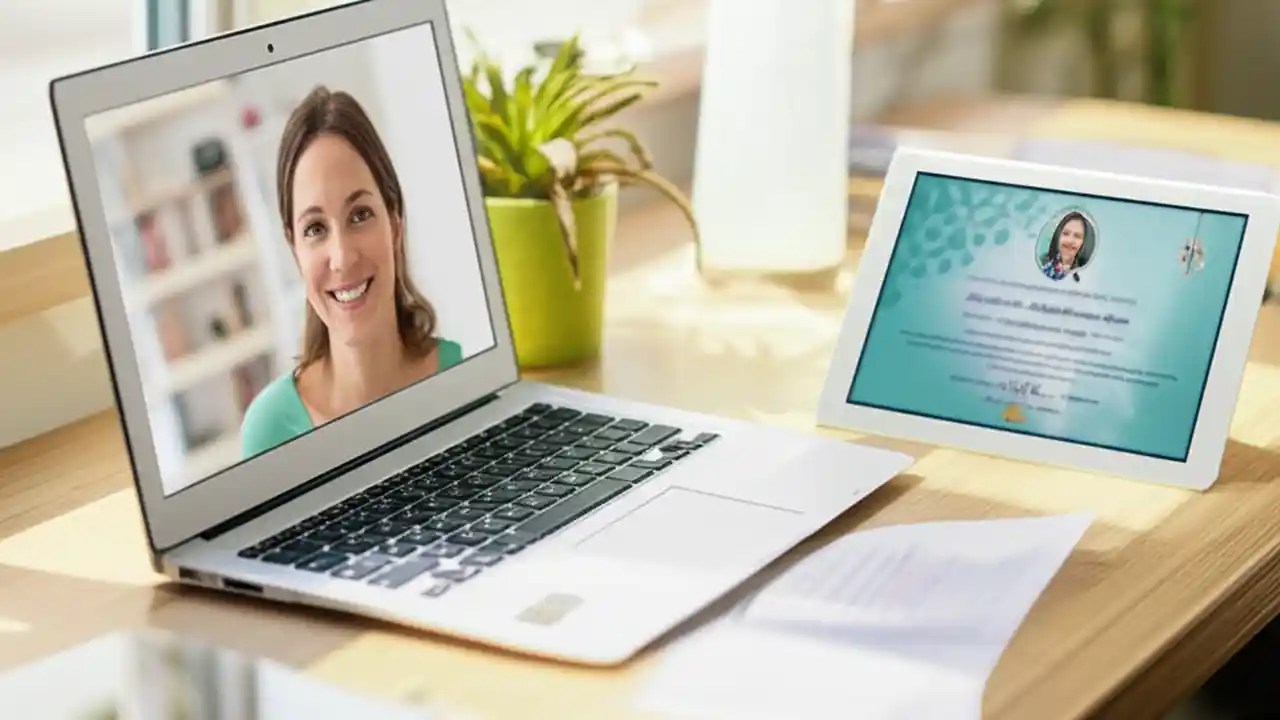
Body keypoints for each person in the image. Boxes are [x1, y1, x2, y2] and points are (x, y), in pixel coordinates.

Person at [240, 86, 462, 458]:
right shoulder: (270, 431)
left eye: (359, 215)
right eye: (315, 229)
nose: (341, 257)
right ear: (294, 250)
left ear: (394, 223)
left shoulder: (463, 371)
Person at [1040, 211, 1092, 282]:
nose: (1070, 241)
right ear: (1058, 236)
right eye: (1066, 233)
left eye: (1077, 236)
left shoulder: (1085, 272)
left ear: (1083, 242)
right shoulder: (1045, 266)